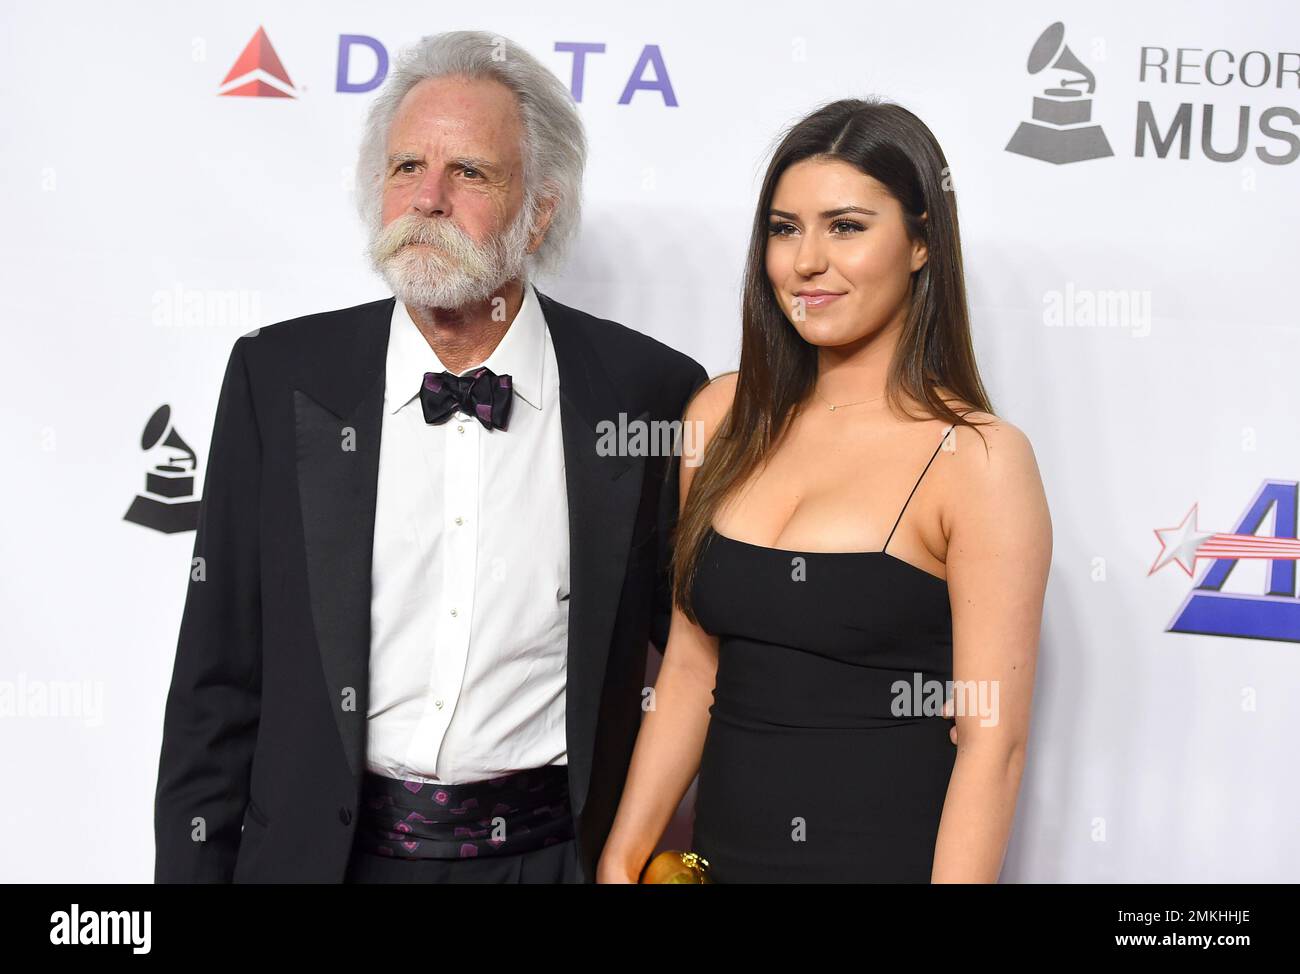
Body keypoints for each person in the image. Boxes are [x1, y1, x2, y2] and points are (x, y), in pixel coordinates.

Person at [152, 30, 707, 884]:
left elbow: (705, 659)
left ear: (543, 208)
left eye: (471, 173)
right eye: (406, 167)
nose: (428, 199)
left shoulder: (650, 392)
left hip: (554, 861)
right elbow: (215, 684)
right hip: (319, 864)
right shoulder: (279, 376)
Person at [598, 98, 1052, 883]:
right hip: (713, 865)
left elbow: (993, 745)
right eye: (784, 228)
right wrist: (623, 856)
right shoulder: (720, 415)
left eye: (846, 227)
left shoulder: (978, 460)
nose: (806, 261)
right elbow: (688, 668)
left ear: (918, 243)